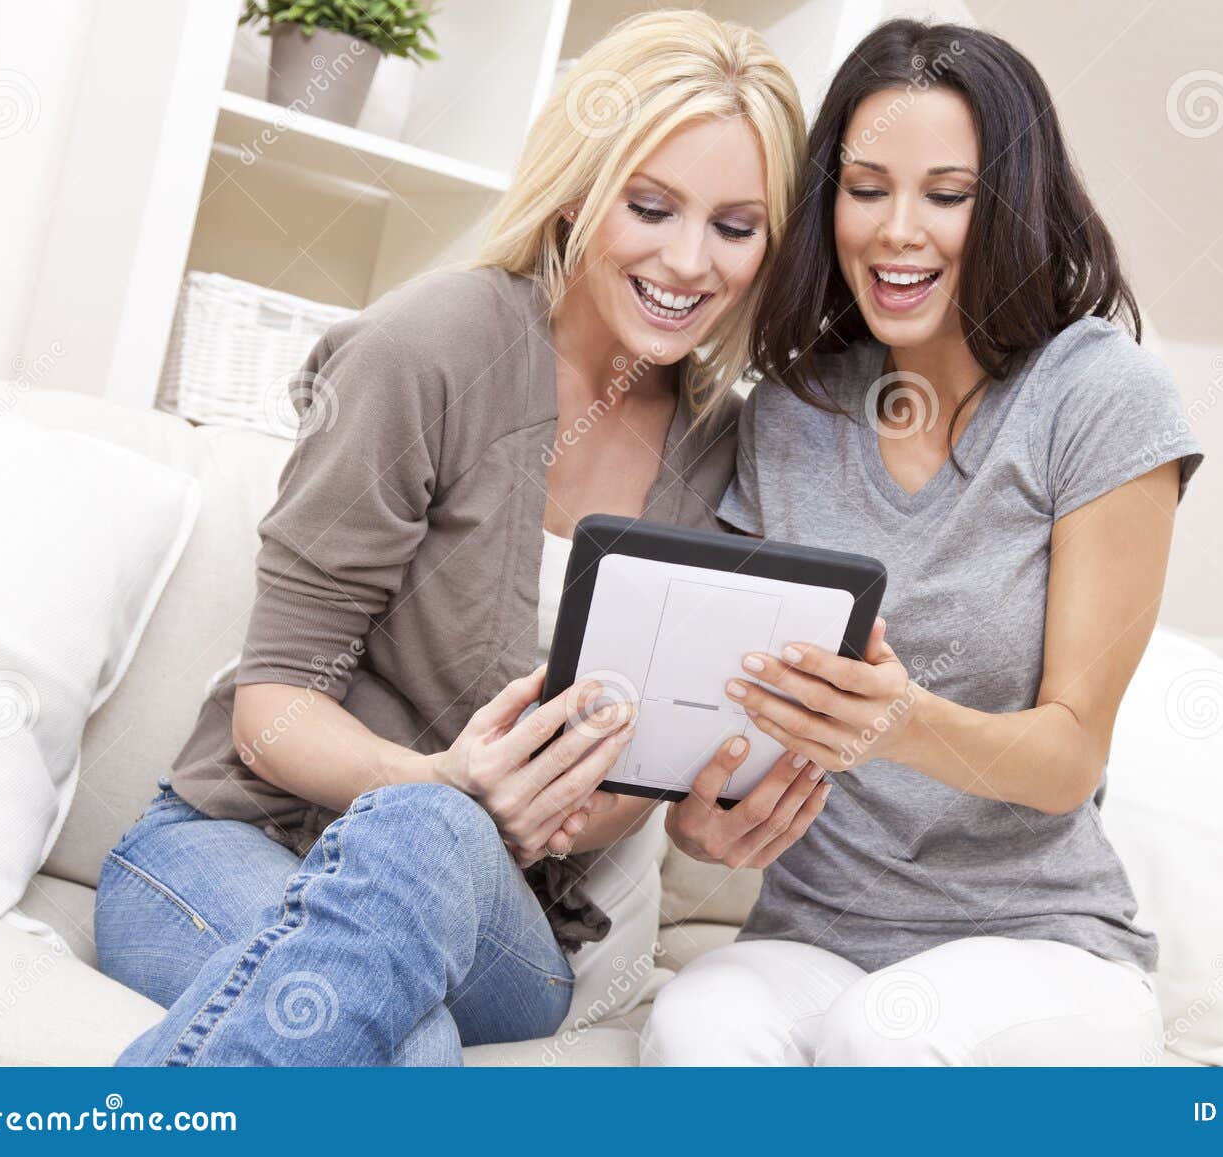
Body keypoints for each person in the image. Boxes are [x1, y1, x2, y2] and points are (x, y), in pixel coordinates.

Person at [96, 10, 818, 1067]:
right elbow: (271, 714)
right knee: (409, 1039)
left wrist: (568, 810)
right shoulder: (430, 348)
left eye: (735, 226)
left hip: (502, 924)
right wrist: (453, 786)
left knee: (434, 837)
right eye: (651, 206)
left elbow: (628, 787)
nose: (687, 260)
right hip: (229, 845)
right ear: (577, 193)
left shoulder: (726, 454)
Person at [642, 19, 1204, 1066]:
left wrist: (899, 723)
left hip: (1039, 948)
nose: (899, 230)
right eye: (865, 188)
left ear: (1012, 203)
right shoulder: (789, 411)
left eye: (948, 195)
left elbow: (1066, 756)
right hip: (812, 937)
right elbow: (730, 709)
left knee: (881, 1040)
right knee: (694, 1026)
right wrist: (698, 813)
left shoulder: (1096, 396)